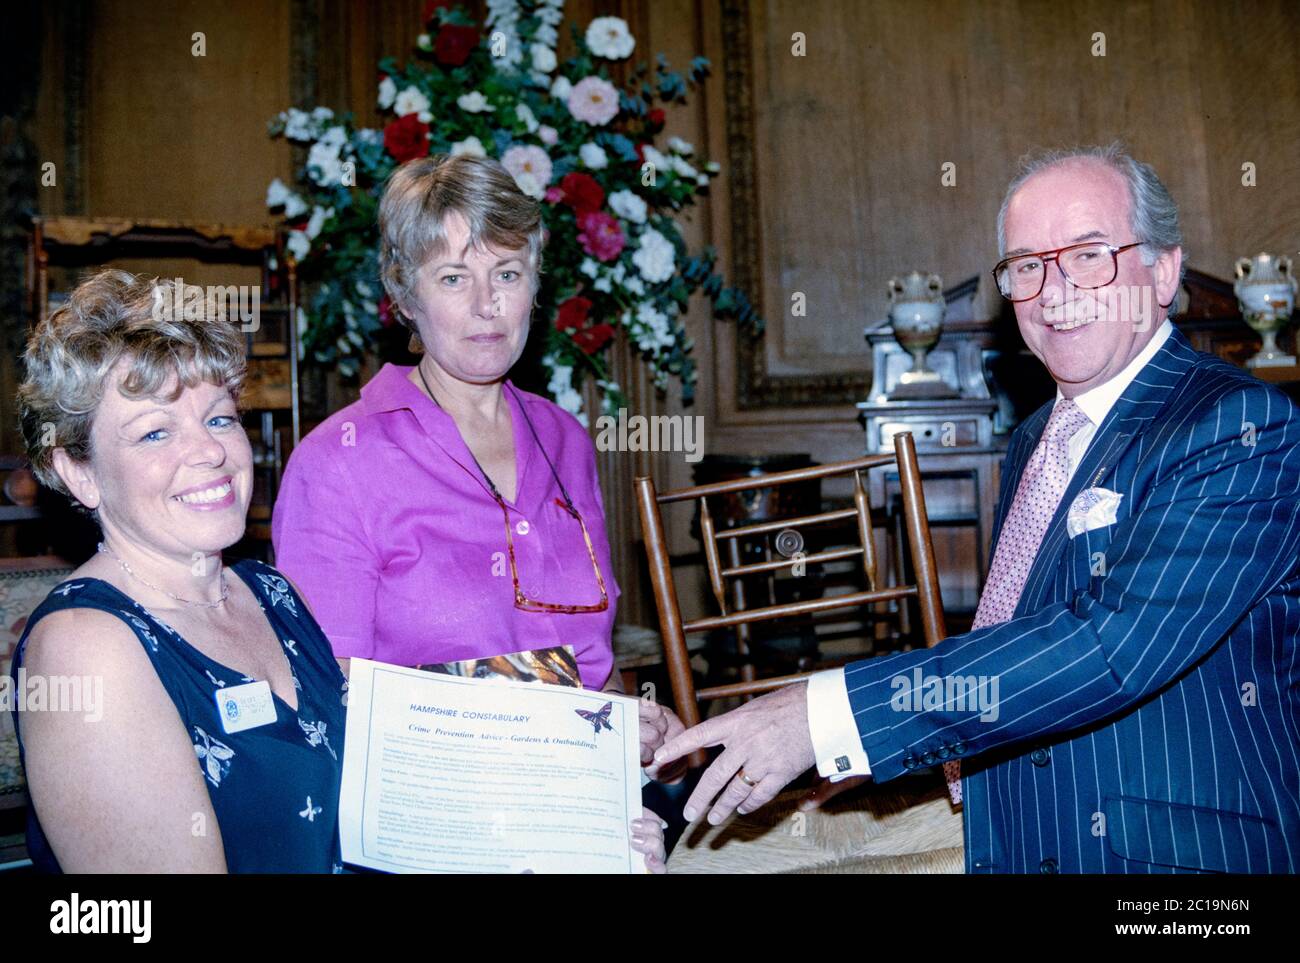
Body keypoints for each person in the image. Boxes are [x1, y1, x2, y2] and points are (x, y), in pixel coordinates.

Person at [655, 143, 1300, 874]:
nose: (1054, 290)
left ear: (1162, 271)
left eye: (1088, 255)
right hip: (1014, 821)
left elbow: (1110, 647)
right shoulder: (1036, 438)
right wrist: (887, 749)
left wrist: (832, 716)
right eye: (1028, 265)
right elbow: (1023, 650)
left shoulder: (1239, 424)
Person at [272, 154, 676, 870]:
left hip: (571, 819)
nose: (487, 304)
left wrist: (630, 738)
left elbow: (592, 670)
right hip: (423, 836)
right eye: (454, 277)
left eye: (508, 274)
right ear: (406, 294)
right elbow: (329, 712)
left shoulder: (567, 442)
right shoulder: (337, 461)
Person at [13, 270, 349, 872]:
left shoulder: (272, 591)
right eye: (155, 432)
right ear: (79, 473)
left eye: (218, 419)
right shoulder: (85, 649)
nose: (210, 452)